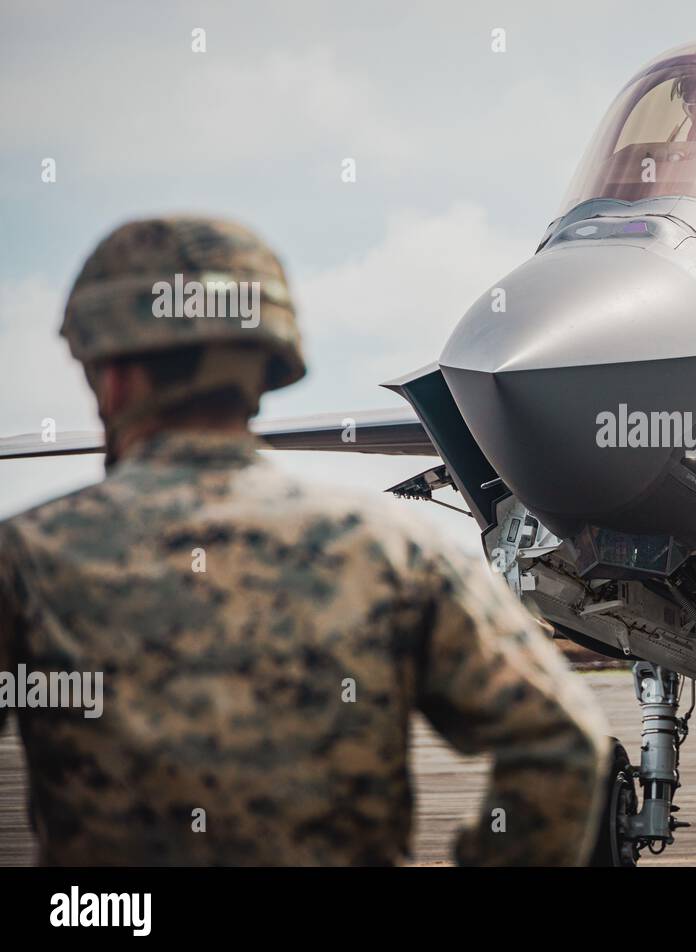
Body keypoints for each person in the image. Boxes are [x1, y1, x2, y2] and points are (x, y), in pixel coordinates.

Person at [0, 216, 609, 865]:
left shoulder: (29, 559)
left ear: (112, 376)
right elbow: (560, 740)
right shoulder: (390, 552)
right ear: (267, 369)